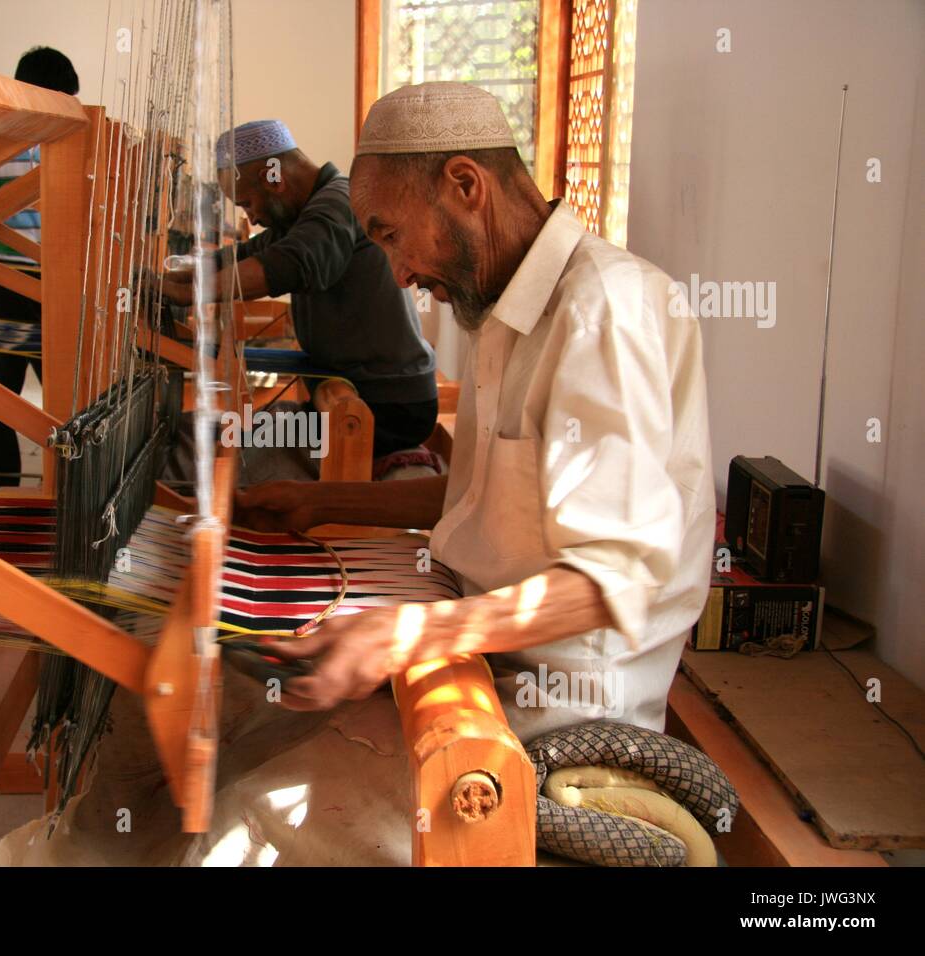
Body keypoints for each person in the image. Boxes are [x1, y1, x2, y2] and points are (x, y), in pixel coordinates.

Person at [236, 83, 714, 742]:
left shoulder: (604, 312)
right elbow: (485, 495)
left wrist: (414, 630)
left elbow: (615, 580)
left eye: (392, 237)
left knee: (254, 795)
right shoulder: (499, 306)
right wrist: (320, 502)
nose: (399, 276)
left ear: (466, 185)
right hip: (473, 643)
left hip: (545, 704)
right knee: (242, 698)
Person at [162, 119, 439, 461]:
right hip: (348, 396)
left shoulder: (340, 201)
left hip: (387, 411)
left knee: (207, 453)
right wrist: (169, 277)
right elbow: (242, 256)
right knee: (195, 435)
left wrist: (187, 293)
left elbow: (292, 263)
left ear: (272, 177)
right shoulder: (309, 213)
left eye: (247, 203)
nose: (252, 218)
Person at [0, 47, 80, 491]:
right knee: (14, 395)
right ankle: (14, 489)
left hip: (28, 280)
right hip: (15, 280)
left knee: (21, 395)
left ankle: (22, 489)